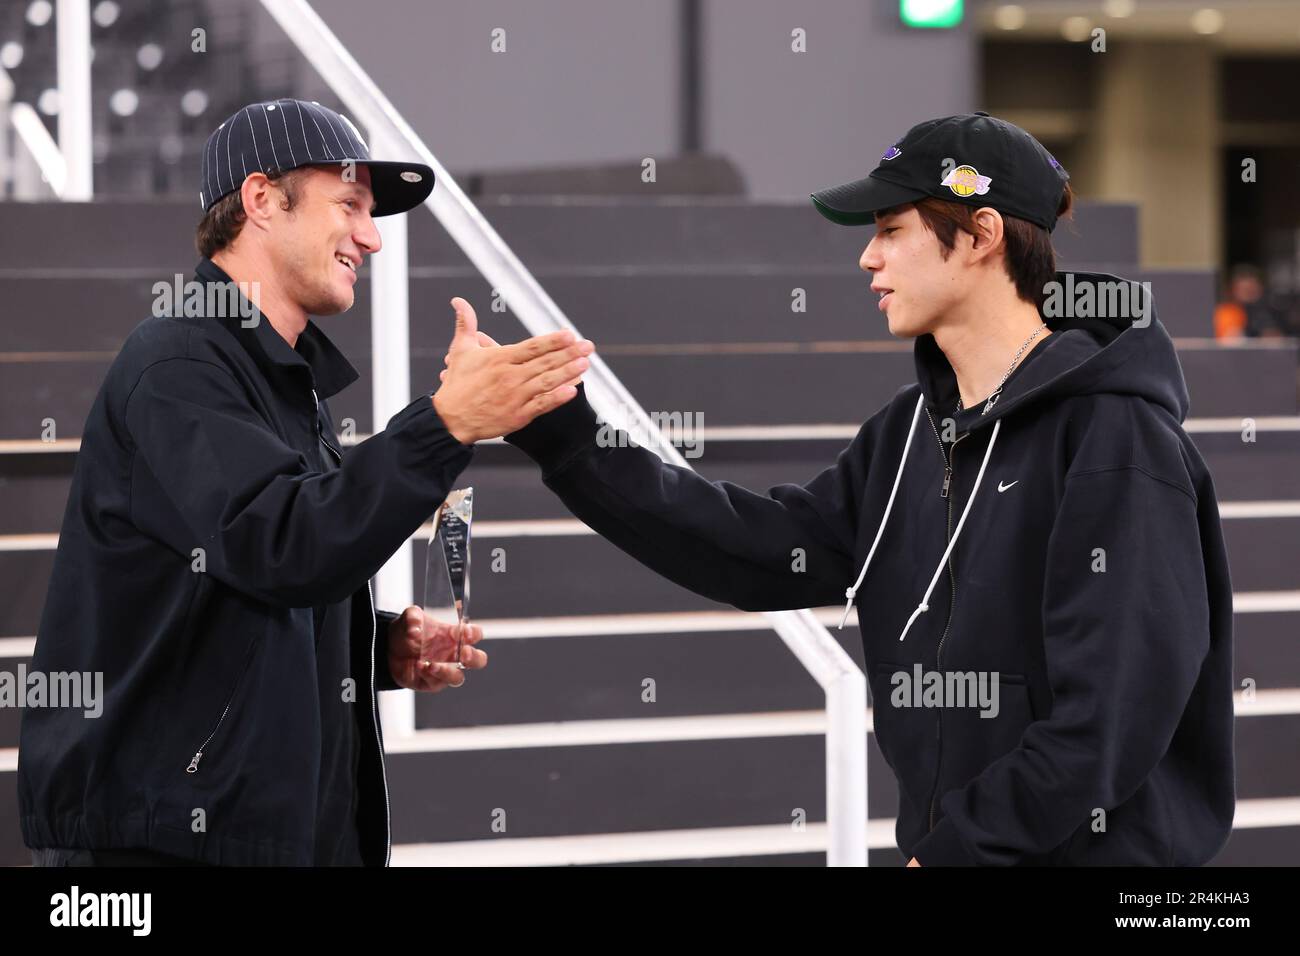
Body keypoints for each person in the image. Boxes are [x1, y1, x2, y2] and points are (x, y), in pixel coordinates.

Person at [497, 112, 1236, 866]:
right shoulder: (909, 430)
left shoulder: (1118, 439)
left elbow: (1113, 715)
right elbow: (756, 552)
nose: (866, 258)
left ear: (981, 235)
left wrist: (962, 849)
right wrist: (564, 435)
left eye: (891, 229)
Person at [19, 98, 593, 867]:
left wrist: (375, 648)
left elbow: (265, 577)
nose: (372, 235)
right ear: (261, 200)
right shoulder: (176, 364)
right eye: (349, 204)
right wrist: (446, 424)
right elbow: (282, 545)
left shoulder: (284, 381)